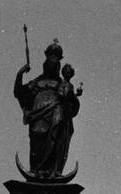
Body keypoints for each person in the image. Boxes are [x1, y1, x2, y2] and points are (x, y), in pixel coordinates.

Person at [14, 39, 81, 177]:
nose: (52, 62)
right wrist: (20, 73)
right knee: (37, 139)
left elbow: (72, 106)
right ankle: (36, 170)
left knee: (56, 137)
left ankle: (53, 171)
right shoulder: (37, 83)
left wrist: (71, 97)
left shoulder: (62, 85)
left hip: (57, 116)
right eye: (50, 58)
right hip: (38, 117)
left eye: (55, 59)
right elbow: (19, 92)